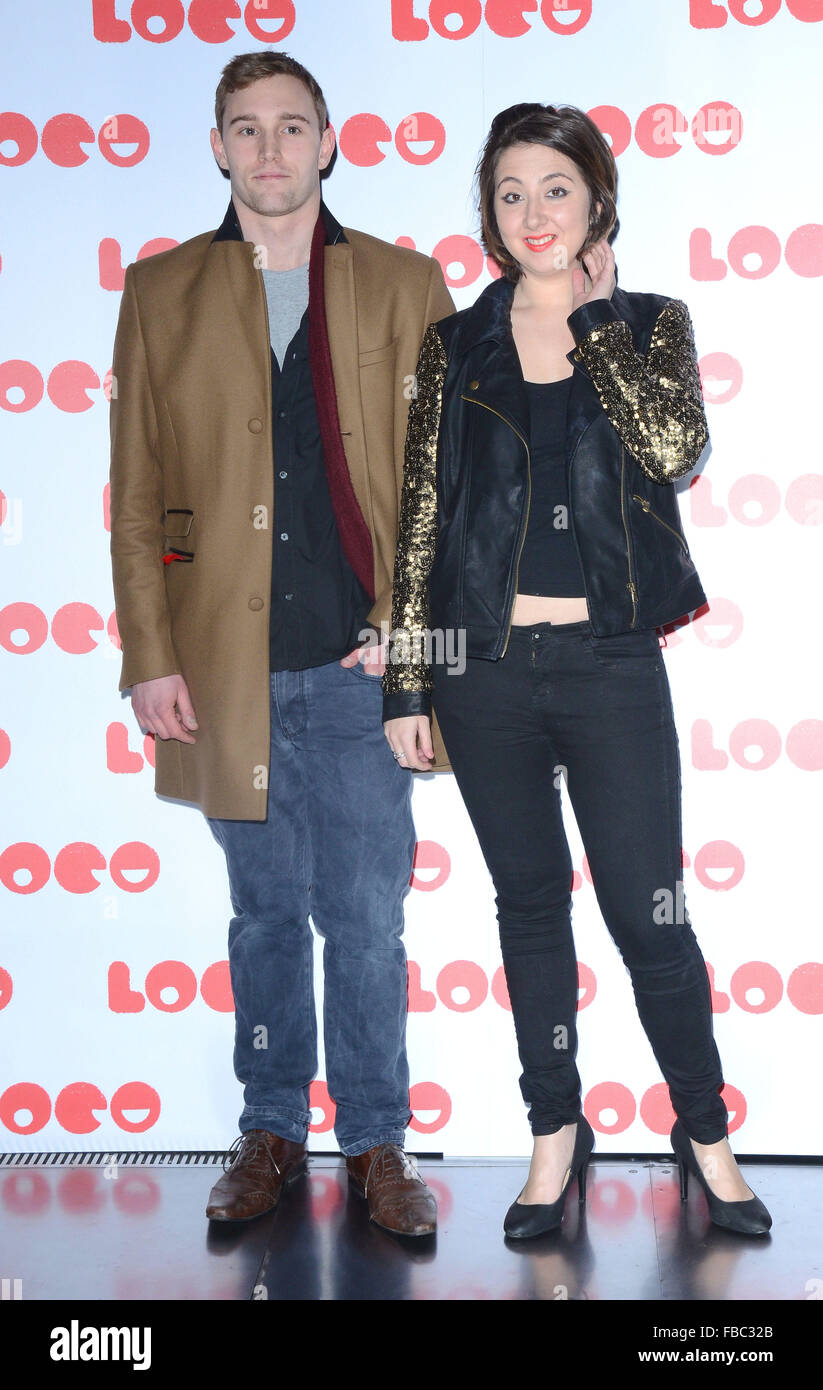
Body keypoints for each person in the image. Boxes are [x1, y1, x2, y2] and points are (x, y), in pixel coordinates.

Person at [382, 103, 771, 1238]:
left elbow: (673, 450)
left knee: (652, 917)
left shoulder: (649, 322)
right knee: (528, 909)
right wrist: (411, 681)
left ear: (597, 200)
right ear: (488, 216)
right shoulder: (455, 346)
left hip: (609, 667)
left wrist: (597, 322)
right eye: (509, 193)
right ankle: (556, 1130)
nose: (532, 213)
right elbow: (422, 522)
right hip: (487, 674)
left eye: (554, 188)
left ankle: (703, 1131)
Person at [108, 50, 453, 1237]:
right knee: (260, 916)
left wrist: (416, 642)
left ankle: (374, 1143)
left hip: (363, 671)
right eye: (245, 130)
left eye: (290, 127)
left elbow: (445, 491)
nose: (268, 151)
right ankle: (268, 1130)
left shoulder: (408, 287)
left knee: (365, 919)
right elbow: (138, 491)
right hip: (222, 671)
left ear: (328, 141)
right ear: (216, 147)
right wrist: (149, 654)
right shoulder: (159, 294)